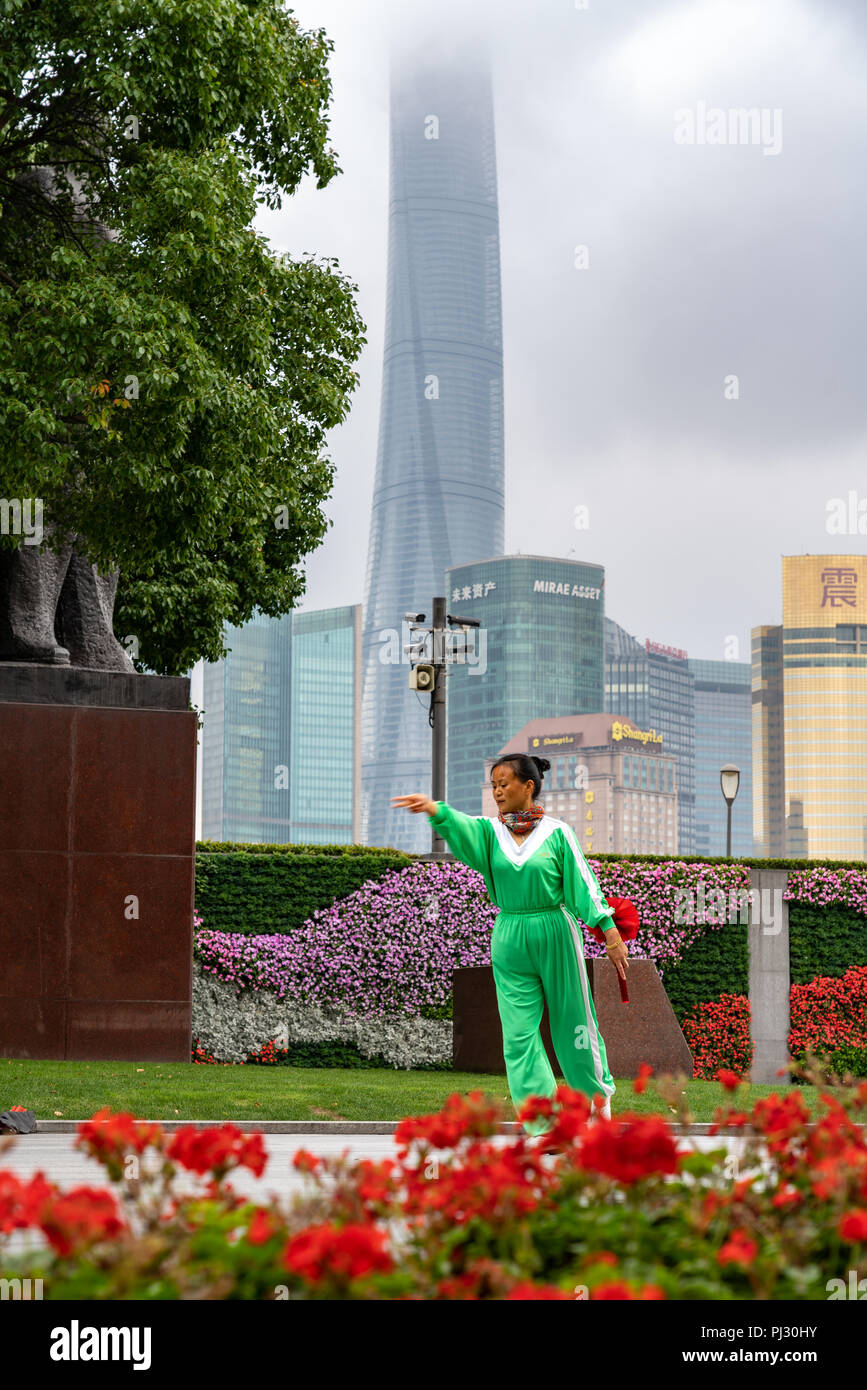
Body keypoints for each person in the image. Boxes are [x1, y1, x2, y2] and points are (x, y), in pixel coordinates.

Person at [392, 754, 628, 1140]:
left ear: (528, 786)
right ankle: (545, 1125)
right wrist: (435, 809)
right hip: (510, 936)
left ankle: (596, 1102)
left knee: (575, 1026)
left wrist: (610, 931)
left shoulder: (557, 833)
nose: (498, 791)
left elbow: (584, 886)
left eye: (505, 783)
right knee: (518, 1036)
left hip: (556, 929)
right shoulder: (489, 834)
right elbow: (462, 827)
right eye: (494, 784)